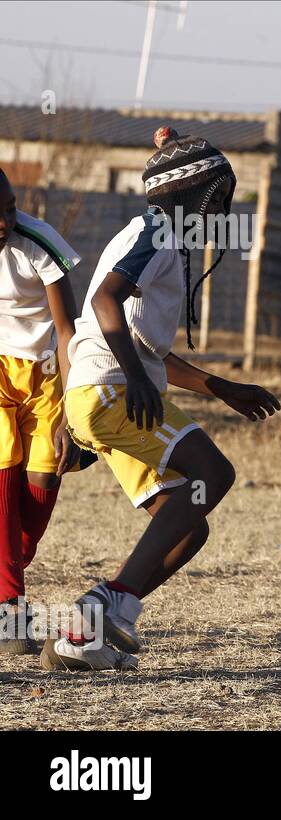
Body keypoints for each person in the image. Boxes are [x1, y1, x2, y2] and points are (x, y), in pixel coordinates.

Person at [42, 127, 281, 672]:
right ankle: (110, 603)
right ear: (192, 197)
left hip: (103, 390)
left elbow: (148, 351)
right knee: (213, 474)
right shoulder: (159, 233)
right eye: (218, 198)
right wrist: (137, 379)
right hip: (111, 390)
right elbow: (104, 302)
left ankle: (84, 637)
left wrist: (222, 388)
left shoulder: (152, 236)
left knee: (187, 524)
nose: (223, 211)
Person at [0, 168, 86, 655]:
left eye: (10, 207)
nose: (5, 219)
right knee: (3, 476)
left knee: (40, 492)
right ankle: (10, 610)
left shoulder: (38, 242)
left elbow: (68, 329)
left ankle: (5, 575)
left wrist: (72, 413)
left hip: (47, 376)